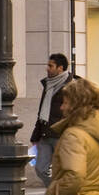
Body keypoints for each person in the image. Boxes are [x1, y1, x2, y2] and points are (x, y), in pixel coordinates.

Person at [30, 53, 74, 186]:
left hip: (61, 136)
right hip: (45, 135)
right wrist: (35, 136)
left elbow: (74, 113)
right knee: (40, 169)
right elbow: (42, 111)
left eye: (51, 66)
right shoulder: (48, 85)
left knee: (63, 170)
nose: (47, 68)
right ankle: (56, 191)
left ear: (60, 68)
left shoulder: (71, 86)